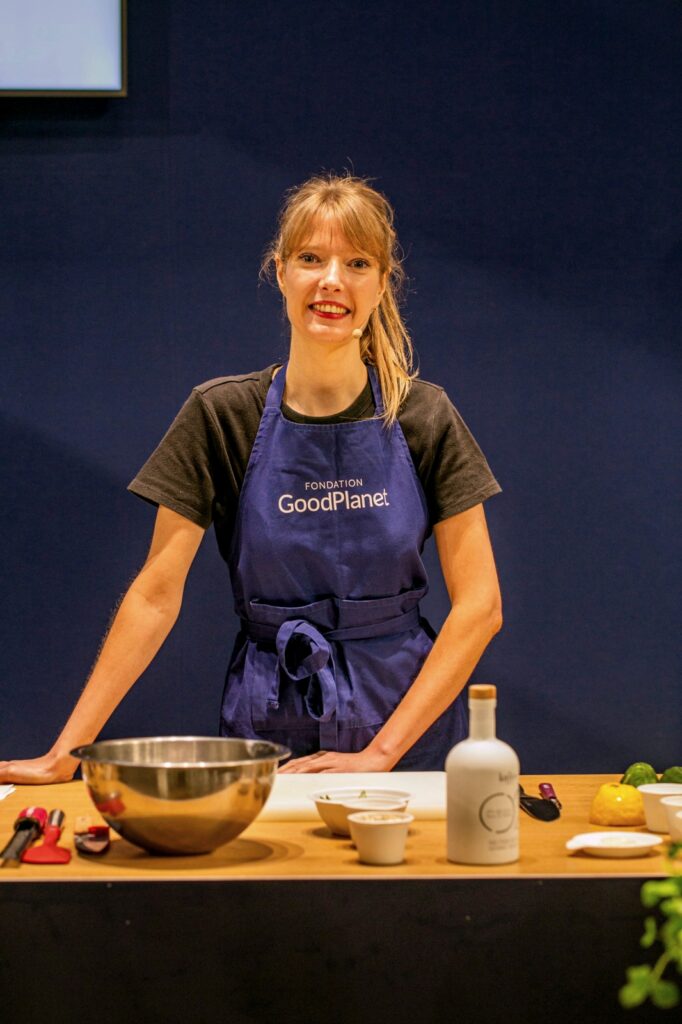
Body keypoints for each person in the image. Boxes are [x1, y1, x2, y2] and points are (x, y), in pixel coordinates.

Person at [0, 173, 502, 784]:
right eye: (311, 258)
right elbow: (154, 596)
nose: (332, 280)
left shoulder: (424, 415)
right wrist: (66, 755)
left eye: (357, 262)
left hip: (408, 727)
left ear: (381, 284)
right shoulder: (220, 415)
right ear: (281, 271)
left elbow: (480, 607)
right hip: (271, 725)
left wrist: (379, 755)